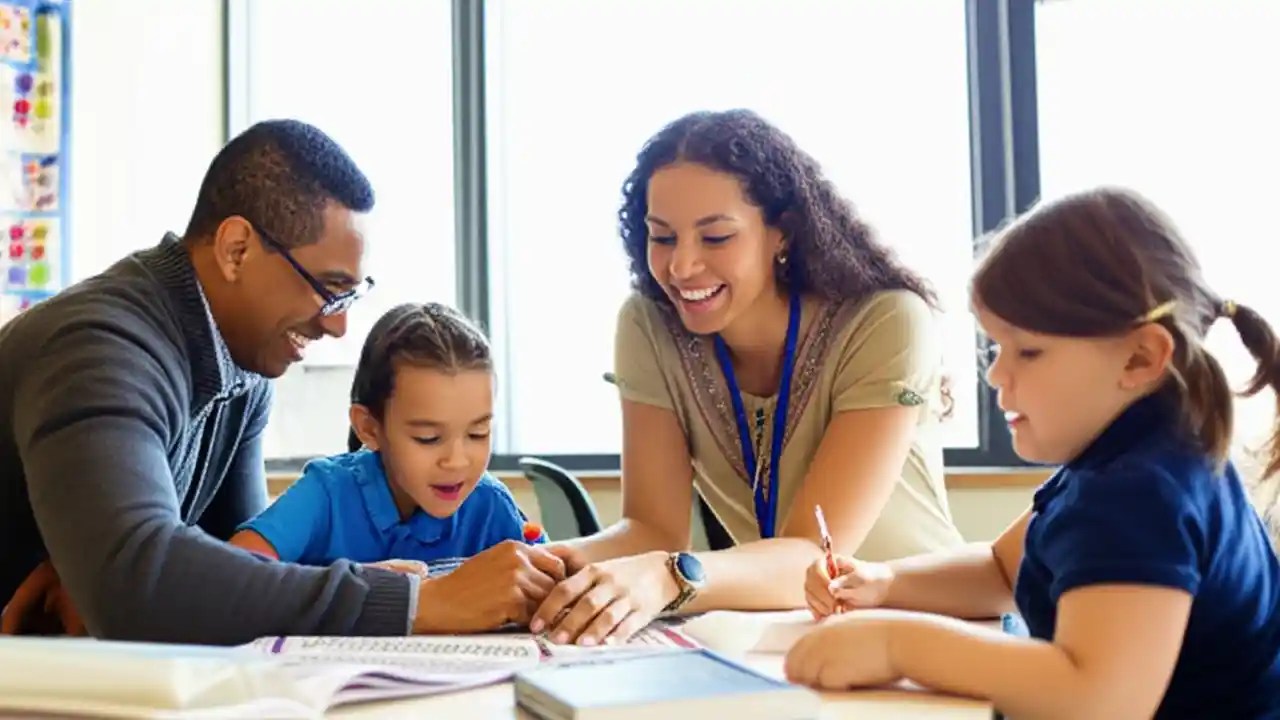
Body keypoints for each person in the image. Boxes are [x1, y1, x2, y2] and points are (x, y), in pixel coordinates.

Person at [0, 119, 565, 643]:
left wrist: (116, 564)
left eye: (350, 294)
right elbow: (135, 586)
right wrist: (419, 602)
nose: (339, 323)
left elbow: (232, 570)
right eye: (327, 287)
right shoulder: (99, 346)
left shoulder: (243, 371)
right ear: (236, 249)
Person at [785, 187, 1280, 718]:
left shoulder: (1140, 494)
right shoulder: (1127, 458)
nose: (997, 374)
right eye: (997, 347)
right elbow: (1001, 572)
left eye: (1029, 351)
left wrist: (897, 646)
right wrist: (885, 584)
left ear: (1140, 358)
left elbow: (1097, 698)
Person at [530, 109, 965, 647]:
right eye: (662, 237)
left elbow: (816, 553)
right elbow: (653, 531)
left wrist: (669, 575)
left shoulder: (885, 322)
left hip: (928, 630)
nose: (682, 267)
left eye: (715, 238)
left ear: (781, 232)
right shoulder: (649, 326)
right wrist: (545, 564)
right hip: (787, 633)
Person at [229, 302, 550, 579]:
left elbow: (553, 578)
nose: (457, 461)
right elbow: (235, 572)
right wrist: (353, 588)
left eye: (478, 433)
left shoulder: (490, 506)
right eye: (428, 438)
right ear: (369, 428)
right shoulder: (328, 493)